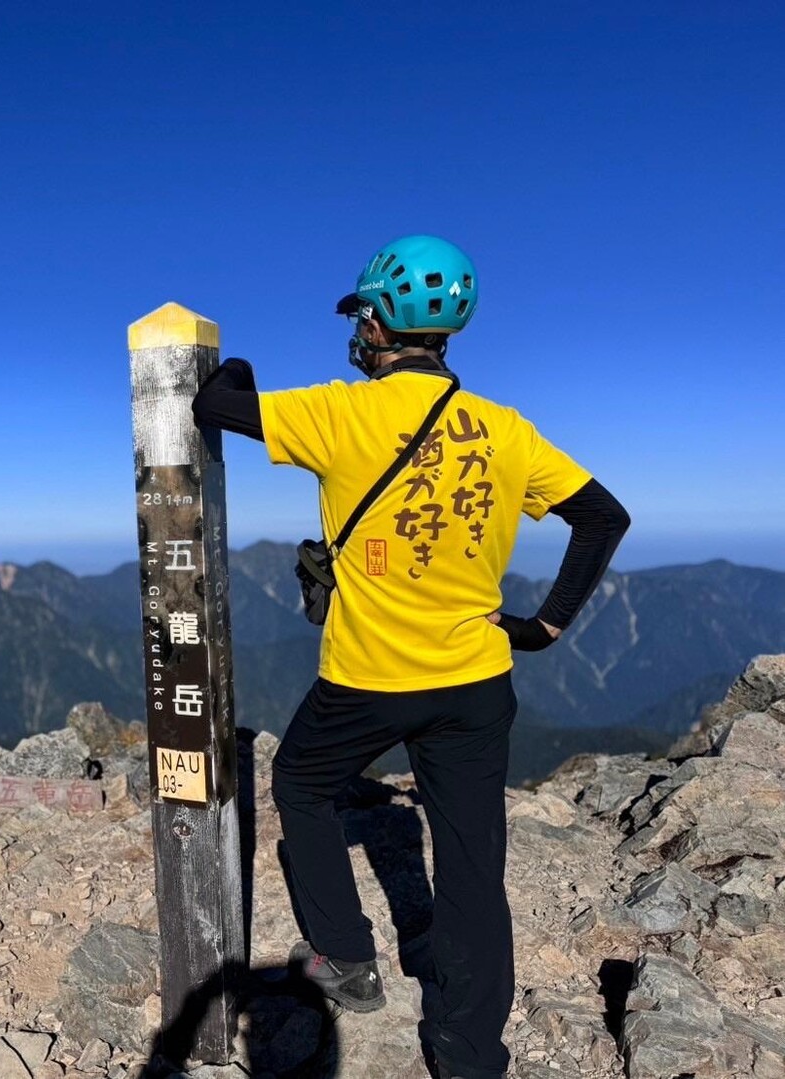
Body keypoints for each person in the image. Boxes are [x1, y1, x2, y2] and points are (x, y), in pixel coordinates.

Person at [191, 235, 630, 1079]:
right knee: (470, 869)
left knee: (302, 784)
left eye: (359, 313)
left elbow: (217, 403)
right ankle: (468, 1056)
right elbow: (601, 517)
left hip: (366, 680)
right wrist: (544, 626)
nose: (354, 330)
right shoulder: (503, 429)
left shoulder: (336, 412)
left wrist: (237, 361)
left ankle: (348, 962)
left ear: (381, 323)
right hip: (475, 681)